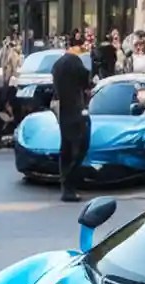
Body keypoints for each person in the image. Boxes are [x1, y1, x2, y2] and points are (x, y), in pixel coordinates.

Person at [53, 30, 91, 202]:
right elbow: (86, 81)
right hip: (76, 110)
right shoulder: (76, 62)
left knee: (66, 149)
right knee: (80, 147)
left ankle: (66, 185)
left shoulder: (58, 64)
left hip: (63, 111)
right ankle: (70, 184)